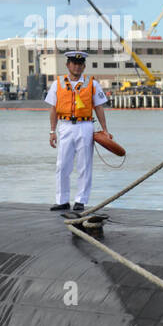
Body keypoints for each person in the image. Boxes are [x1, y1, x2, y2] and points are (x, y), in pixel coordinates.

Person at [45, 49, 109, 212]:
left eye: (80, 64)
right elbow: (53, 109)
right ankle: (62, 200)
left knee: (85, 165)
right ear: (68, 65)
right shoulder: (57, 83)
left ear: (84, 66)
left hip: (85, 125)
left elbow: (99, 107)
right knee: (62, 165)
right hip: (65, 126)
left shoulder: (92, 84)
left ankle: (81, 200)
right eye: (74, 63)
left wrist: (105, 130)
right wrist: (52, 132)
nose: (77, 67)